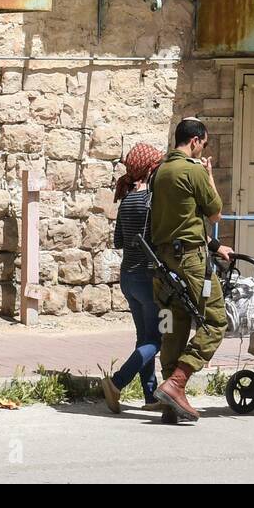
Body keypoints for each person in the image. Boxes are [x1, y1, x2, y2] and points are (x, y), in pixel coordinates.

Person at [149, 117, 230, 423]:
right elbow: (216, 211)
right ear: (195, 141)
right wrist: (209, 176)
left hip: (162, 261)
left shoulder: (160, 171)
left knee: (172, 323)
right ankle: (177, 383)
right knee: (215, 320)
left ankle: (171, 401)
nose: (202, 150)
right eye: (204, 144)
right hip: (190, 261)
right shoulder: (192, 170)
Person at [100, 143, 165, 414]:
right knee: (157, 339)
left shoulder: (126, 198)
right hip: (147, 279)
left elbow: (118, 241)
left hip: (127, 278)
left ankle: (151, 396)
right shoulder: (151, 199)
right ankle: (117, 382)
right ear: (151, 167)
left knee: (144, 336)